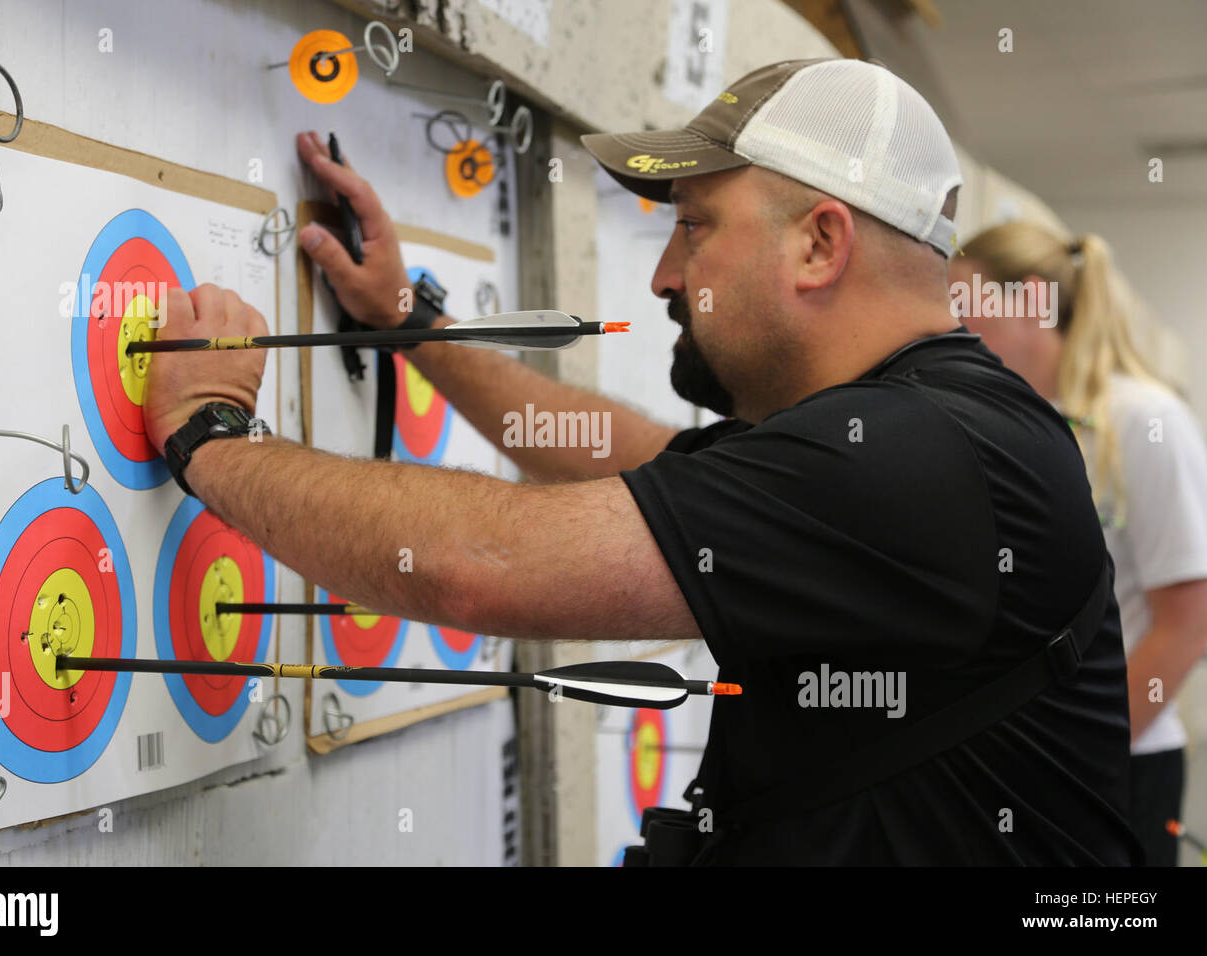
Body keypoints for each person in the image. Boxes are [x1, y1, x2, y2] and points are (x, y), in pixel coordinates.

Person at [143, 58, 1139, 864]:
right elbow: (625, 462)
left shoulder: (915, 459)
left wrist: (210, 432)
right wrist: (411, 328)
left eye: (693, 225)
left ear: (817, 245)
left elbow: (478, 563)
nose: (665, 273)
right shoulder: (915, 425)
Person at [949, 222, 1207, 865]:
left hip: (1114, 764)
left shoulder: (1144, 421)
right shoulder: (1011, 425)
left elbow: (1191, 619)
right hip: (1020, 762)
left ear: (1030, 299)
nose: (949, 326)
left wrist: (1084, 748)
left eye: (963, 304)